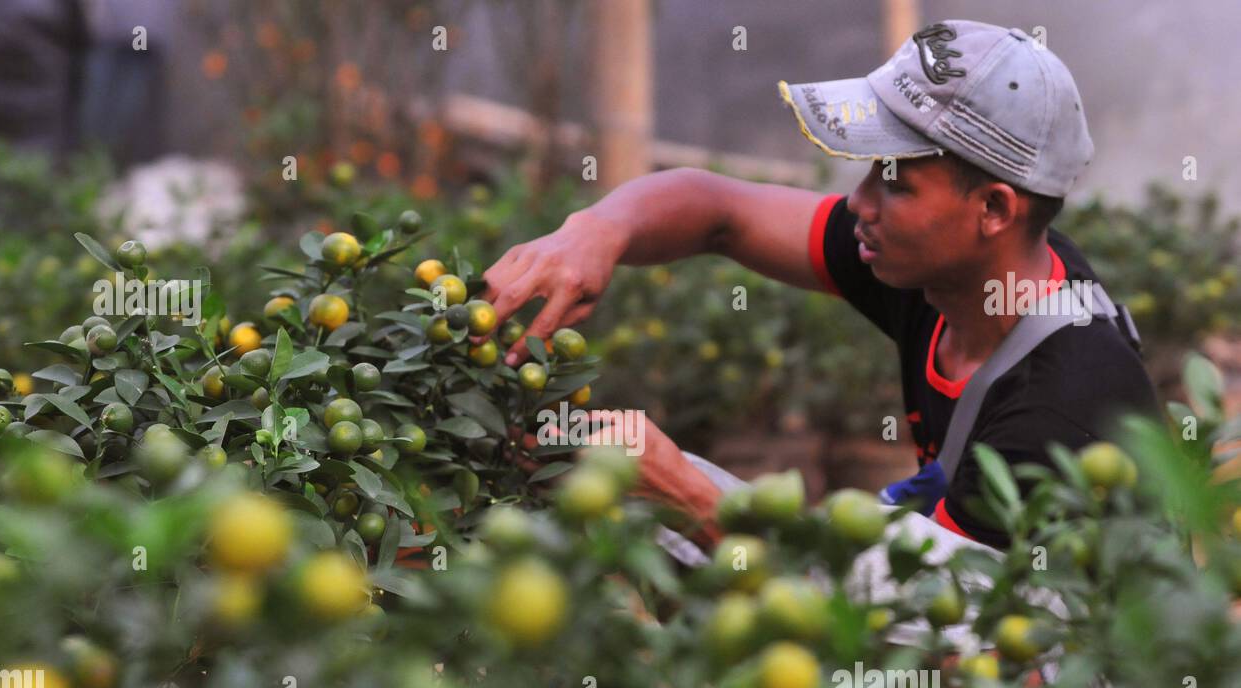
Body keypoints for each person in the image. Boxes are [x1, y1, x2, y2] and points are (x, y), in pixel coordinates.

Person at [480, 19, 1160, 552]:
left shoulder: (1063, 412)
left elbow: (923, 639)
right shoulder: (956, 269)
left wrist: (691, 497)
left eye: (895, 181)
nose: (860, 203)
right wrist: (596, 231)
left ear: (993, 209)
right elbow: (720, 213)